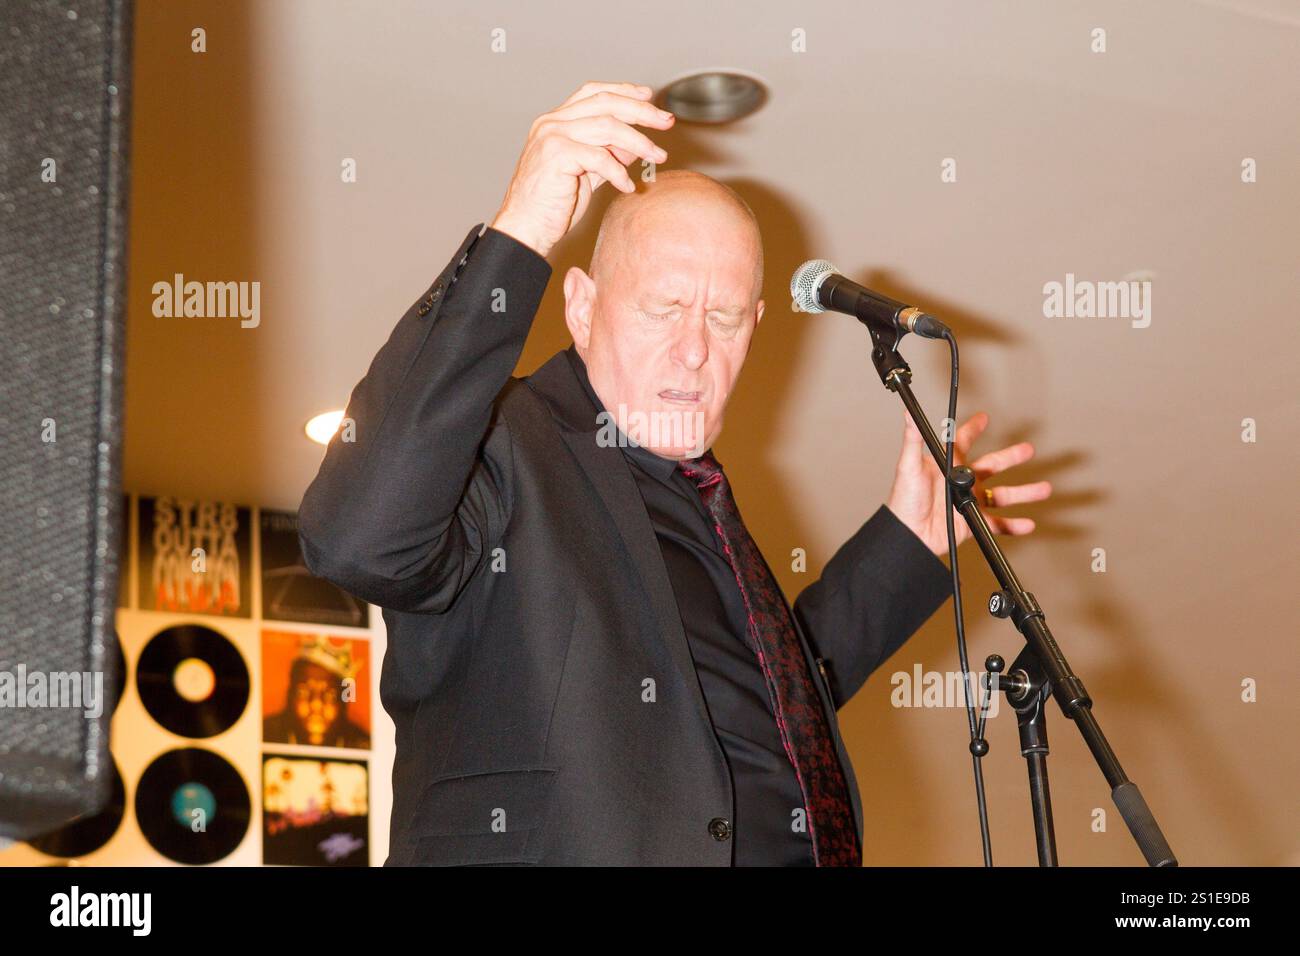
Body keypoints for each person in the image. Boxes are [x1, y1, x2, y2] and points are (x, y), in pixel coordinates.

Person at [297, 81, 1051, 866]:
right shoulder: (503, 440)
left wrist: (908, 542)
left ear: (755, 328)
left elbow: (760, 705)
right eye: (663, 309)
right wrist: (520, 231)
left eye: (723, 319)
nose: (695, 350)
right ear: (582, 308)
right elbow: (358, 540)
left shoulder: (706, 505)